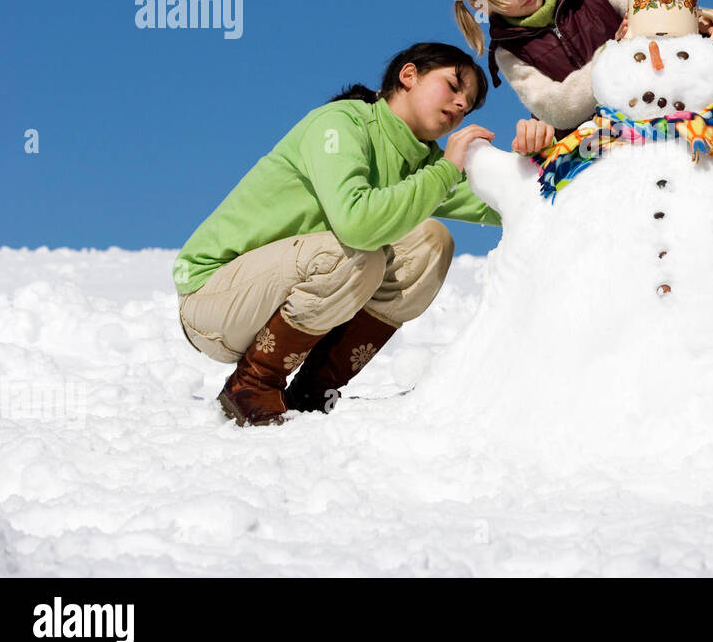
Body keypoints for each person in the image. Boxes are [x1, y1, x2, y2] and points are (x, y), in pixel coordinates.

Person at [174, 42, 500, 427]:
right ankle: (252, 386)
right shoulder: (341, 123)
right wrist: (446, 171)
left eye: (470, 102)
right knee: (359, 251)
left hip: (283, 294)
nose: (462, 104)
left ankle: (312, 389)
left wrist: (559, 158)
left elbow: (498, 203)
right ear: (409, 75)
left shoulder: (424, 162)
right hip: (212, 299)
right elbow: (356, 224)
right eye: (453, 85)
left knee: (431, 242)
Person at [444, 0, 713, 152]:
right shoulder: (510, 53)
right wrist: (613, 54)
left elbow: (654, 15)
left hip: (658, 114)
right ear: (482, 5)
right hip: (593, 152)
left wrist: (701, 23)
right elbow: (557, 109)